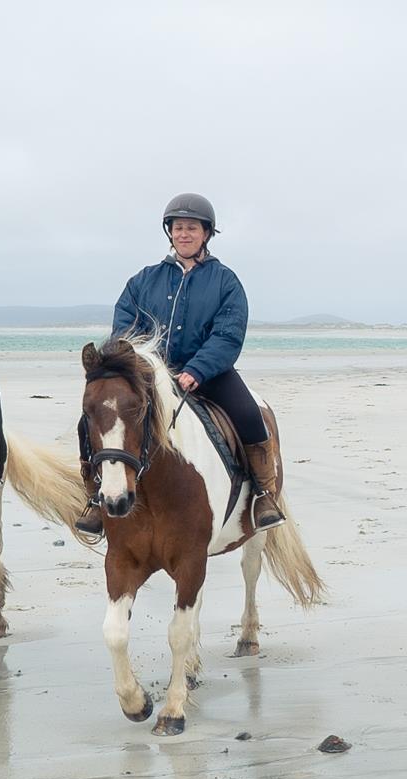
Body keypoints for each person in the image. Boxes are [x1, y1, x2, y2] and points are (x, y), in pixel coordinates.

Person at [78, 192, 284, 534]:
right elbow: (124, 330)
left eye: (192, 228)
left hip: (209, 374)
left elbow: (228, 335)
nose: (184, 234)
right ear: (169, 232)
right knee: (92, 418)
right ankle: (95, 497)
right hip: (149, 377)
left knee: (249, 415)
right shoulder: (143, 281)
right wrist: (137, 367)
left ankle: (264, 494)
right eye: (178, 227)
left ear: (206, 234)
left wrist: (196, 370)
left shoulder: (226, 282)